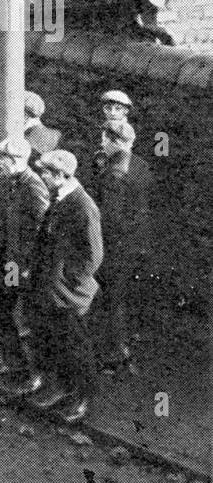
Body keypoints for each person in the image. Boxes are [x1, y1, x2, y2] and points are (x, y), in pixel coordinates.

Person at [19, 150, 105, 425]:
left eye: (45, 172)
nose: (41, 176)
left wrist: (68, 280)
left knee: (75, 346)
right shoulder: (61, 198)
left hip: (67, 293)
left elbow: (94, 255)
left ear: (60, 175)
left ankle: (83, 398)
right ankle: (61, 387)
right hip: (50, 287)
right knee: (55, 340)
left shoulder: (83, 206)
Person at [91, 119, 152, 373]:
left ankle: (113, 356)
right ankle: (119, 351)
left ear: (112, 140)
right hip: (132, 243)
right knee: (117, 299)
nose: (101, 142)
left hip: (114, 247)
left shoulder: (114, 175)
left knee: (108, 301)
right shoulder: (140, 164)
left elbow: (110, 218)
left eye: (104, 138)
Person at [0, 136, 50, 379]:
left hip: (22, 265)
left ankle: (30, 371)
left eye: (2, 159)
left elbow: (43, 229)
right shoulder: (10, 181)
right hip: (10, 261)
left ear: (15, 160)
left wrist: (28, 264)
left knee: (19, 315)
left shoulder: (33, 186)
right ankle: (14, 362)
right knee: (0, 309)